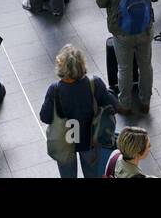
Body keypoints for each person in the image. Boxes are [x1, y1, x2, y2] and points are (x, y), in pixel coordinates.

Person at [97, 0, 161, 116]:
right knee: (145, 65)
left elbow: (100, 1)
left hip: (121, 31)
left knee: (124, 68)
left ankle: (125, 103)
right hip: (145, 28)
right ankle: (145, 101)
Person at [39, 43, 117, 177]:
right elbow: (113, 106)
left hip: (64, 143)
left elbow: (45, 117)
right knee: (92, 173)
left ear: (61, 67)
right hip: (90, 141)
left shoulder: (55, 89)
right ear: (82, 65)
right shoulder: (95, 83)